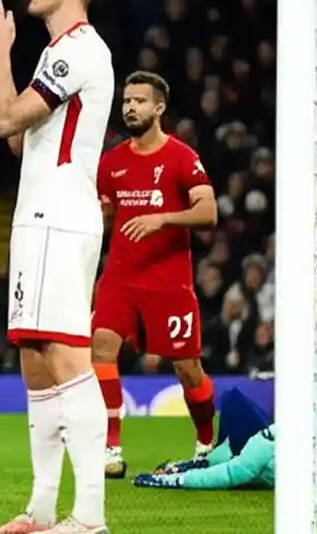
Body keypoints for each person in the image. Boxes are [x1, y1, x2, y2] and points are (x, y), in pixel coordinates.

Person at [0, 0, 114, 534]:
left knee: (66, 356)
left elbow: (8, 119)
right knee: (35, 359)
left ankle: (89, 517)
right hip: (36, 216)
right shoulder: (55, 54)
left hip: (61, 215)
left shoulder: (80, 50)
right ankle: (40, 510)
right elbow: (15, 138)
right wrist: (8, 63)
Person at [93, 71, 218, 478]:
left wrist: (162, 218)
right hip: (120, 277)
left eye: (139, 101)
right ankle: (111, 448)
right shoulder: (111, 164)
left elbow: (208, 212)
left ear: (159, 108)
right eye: (126, 101)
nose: (130, 107)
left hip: (168, 282)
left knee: (187, 369)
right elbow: (104, 217)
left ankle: (205, 443)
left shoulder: (182, 157)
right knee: (101, 348)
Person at [135, 332, 317, 492]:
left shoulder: (312, 388)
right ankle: (207, 460)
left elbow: (235, 472)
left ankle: (206, 462)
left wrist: (172, 481)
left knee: (233, 404)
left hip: (306, 472)